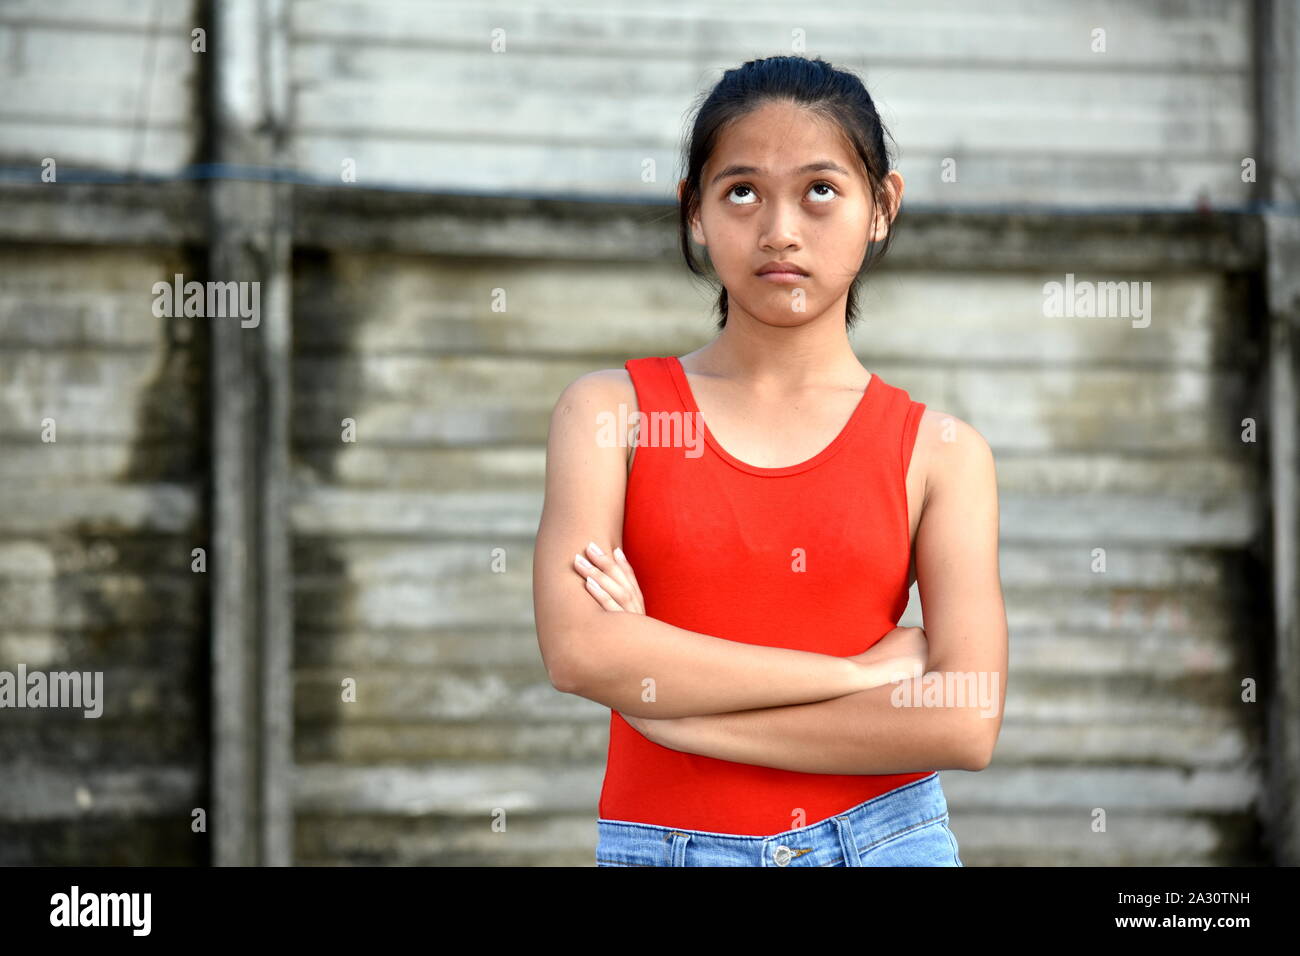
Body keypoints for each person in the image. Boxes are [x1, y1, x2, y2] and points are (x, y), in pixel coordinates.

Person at [532, 55, 1007, 867]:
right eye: (742, 191)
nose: (780, 229)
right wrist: (857, 674)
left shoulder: (942, 452)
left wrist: (675, 711)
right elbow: (581, 653)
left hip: (888, 842)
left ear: (882, 208)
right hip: (667, 849)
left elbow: (962, 719)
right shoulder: (613, 414)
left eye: (820, 190)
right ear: (695, 211)